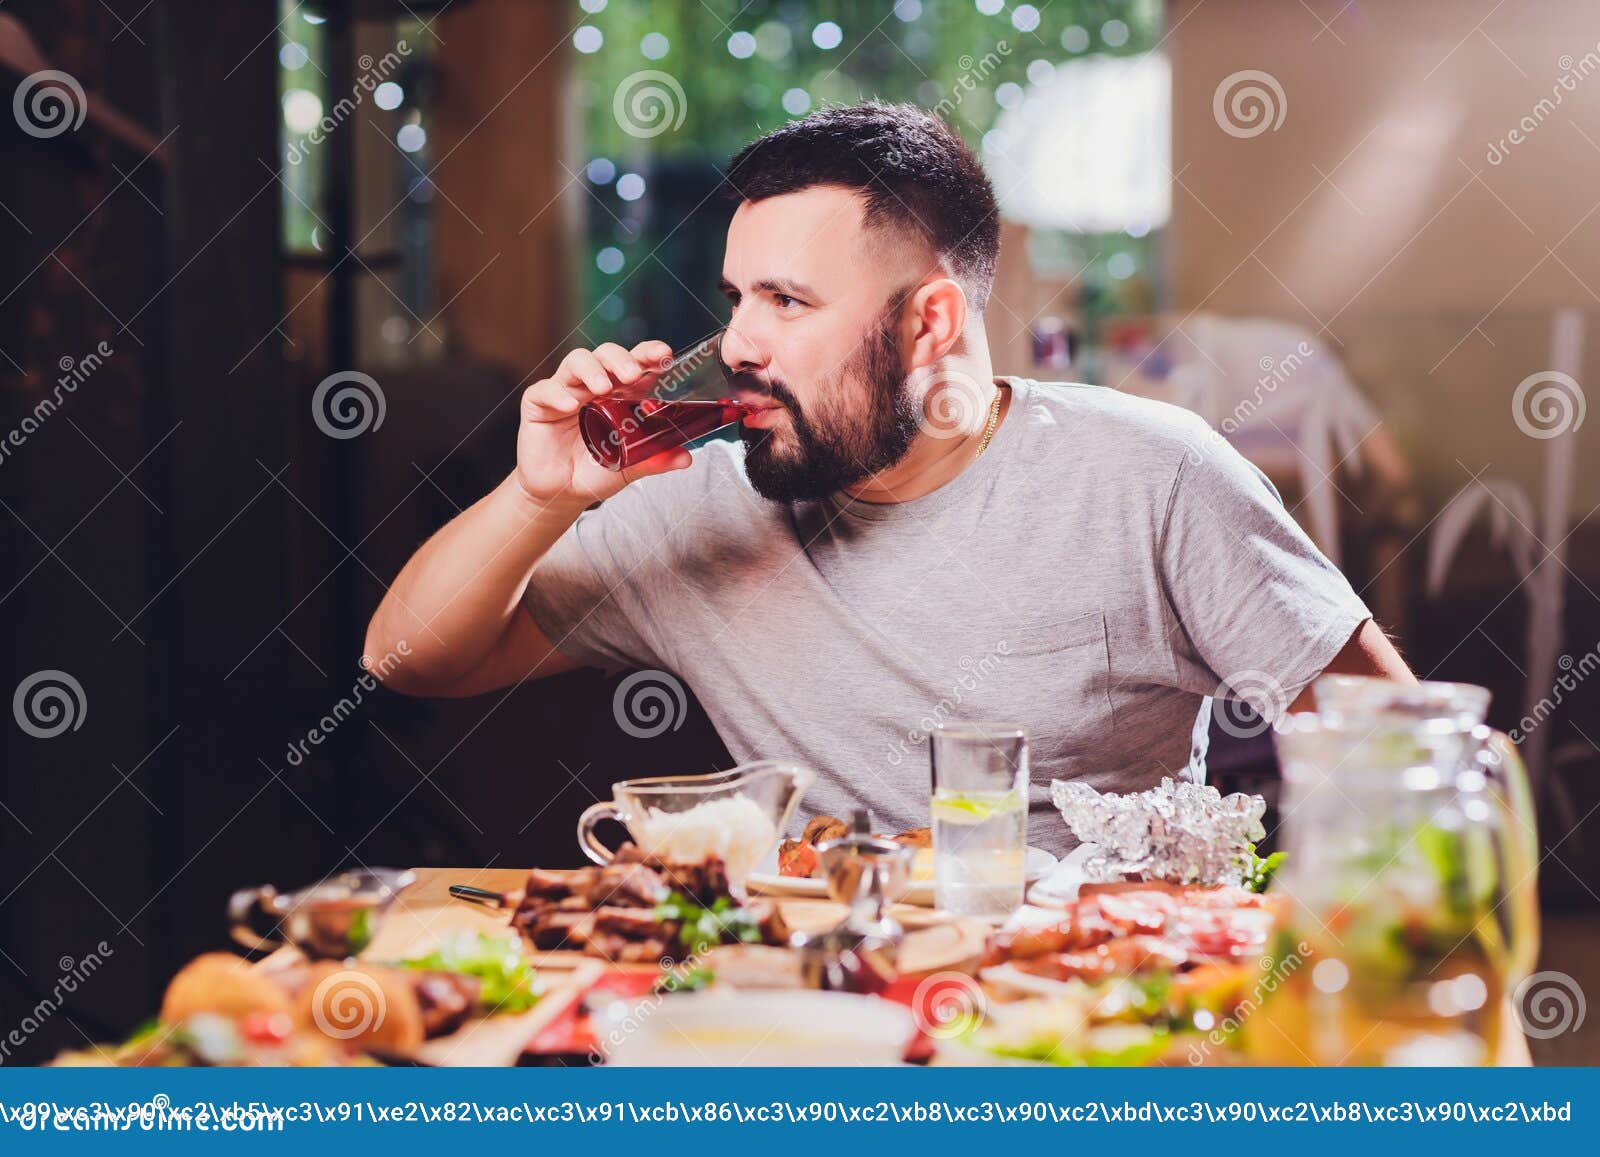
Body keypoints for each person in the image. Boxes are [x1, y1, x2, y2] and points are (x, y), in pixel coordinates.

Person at [364, 102, 1412, 851]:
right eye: (736, 298)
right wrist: (539, 497)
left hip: (1076, 1015)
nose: (738, 343)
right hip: (811, 1017)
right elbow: (407, 660)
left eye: (786, 300)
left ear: (929, 321)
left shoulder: (1149, 474)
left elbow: (1399, 753)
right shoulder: (702, 504)